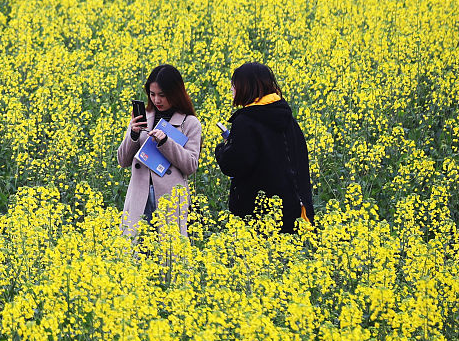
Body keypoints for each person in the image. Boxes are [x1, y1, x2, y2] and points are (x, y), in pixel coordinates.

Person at [214, 62, 313, 234]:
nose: (232, 89)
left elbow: (235, 164)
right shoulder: (286, 117)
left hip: (259, 213)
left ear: (246, 87)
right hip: (292, 207)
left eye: (234, 85)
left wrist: (223, 150)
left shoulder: (245, 121)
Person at [116, 64, 202, 237]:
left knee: (168, 249)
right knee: (137, 247)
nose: (156, 100)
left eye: (162, 95)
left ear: (176, 93)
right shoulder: (143, 118)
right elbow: (123, 161)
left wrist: (166, 142)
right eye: (152, 94)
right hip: (139, 195)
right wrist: (133, 134)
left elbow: (191, 165)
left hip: (169, 197)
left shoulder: (189, 123)